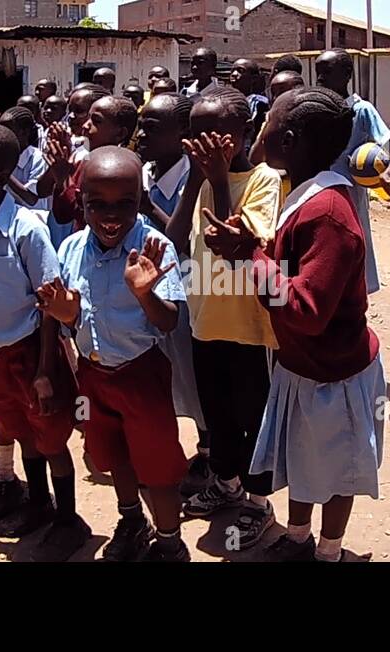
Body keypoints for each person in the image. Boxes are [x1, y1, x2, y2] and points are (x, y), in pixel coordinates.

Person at [203, 86, 386, 562]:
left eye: (266, 124)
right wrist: (252, 249)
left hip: (334, 371)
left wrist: (250, 254)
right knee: (303, 459)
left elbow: (306, 310)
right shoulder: (302, 197)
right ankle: (299, 537)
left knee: (338, 467)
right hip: (302, 367)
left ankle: (328, 551)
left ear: (287, 141)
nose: (258, 129)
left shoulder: (328, 214)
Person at [39, 147, 191, 562]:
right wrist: (65, 314)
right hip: (92, 374)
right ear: (81, 202)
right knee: (113, 457)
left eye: (124, 204)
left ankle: (169, 541)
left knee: (157, 467)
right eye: (96, 205)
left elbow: (167, 322)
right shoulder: (70, 248)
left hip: (141, 375)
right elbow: (66, 311)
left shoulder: (155, 247)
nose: (110, 216)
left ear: (140, 200)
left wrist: (144, 294)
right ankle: (131, 521)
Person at [0, 124, 90, 560]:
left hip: (31, 354)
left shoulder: (26, 230)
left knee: (50, 439)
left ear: (1, 174)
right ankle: (38, 503)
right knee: (20, 432)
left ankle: (69, 520)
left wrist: (47, 370)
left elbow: (50, 303)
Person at [166, 87, 282, 548]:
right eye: (195, 135)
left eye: (216, 135)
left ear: (243, 134)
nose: (204, 144)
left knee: (253, 415)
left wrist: (216, 180)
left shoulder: (264, 180)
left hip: (249, 329)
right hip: (205, 322)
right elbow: (176, 238)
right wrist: (198, 180)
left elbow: (236, 248)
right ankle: (227, 483)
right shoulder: (198, 182)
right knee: (219, 416)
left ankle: (258, 503)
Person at [135, 91, 212, 497]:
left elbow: (178, 242)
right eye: (141, 125)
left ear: (182, 134)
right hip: (154, 294)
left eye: (152, 127)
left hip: (192, 292)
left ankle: (208, 451)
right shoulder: (144, 172)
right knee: (165, 377)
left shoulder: (194, 178)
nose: (141, 134)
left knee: (194, 379)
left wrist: (148, 206)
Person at [316, 49, 390, 296]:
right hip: (319, 195)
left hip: (350, 197)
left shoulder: (361, 110)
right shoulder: (317, 111)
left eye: (327, 72)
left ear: (347, 74)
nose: (320, 78)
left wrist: (387, 175)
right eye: (318, 73)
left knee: (352, 249)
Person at [47, 93, 133, 239]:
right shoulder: (84, 161)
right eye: (88, 118)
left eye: (96, 121)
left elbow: (89, 216)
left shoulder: (124, 171)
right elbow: (63, 216)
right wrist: (60, 176)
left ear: (120, 133)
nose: (86, 126)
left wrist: (64, 178)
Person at [0, 107, 53, 211]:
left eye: (8, 131)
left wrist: (5, 173)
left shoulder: (37, 159)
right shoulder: (5, 157)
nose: (3, 136)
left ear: (24, 132)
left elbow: (32, 199)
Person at [230, 58, 269, 151]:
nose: (234, 74)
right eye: (232, 71)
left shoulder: (260, 104)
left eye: (240, 71)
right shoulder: (225, 101)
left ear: (254, 78)